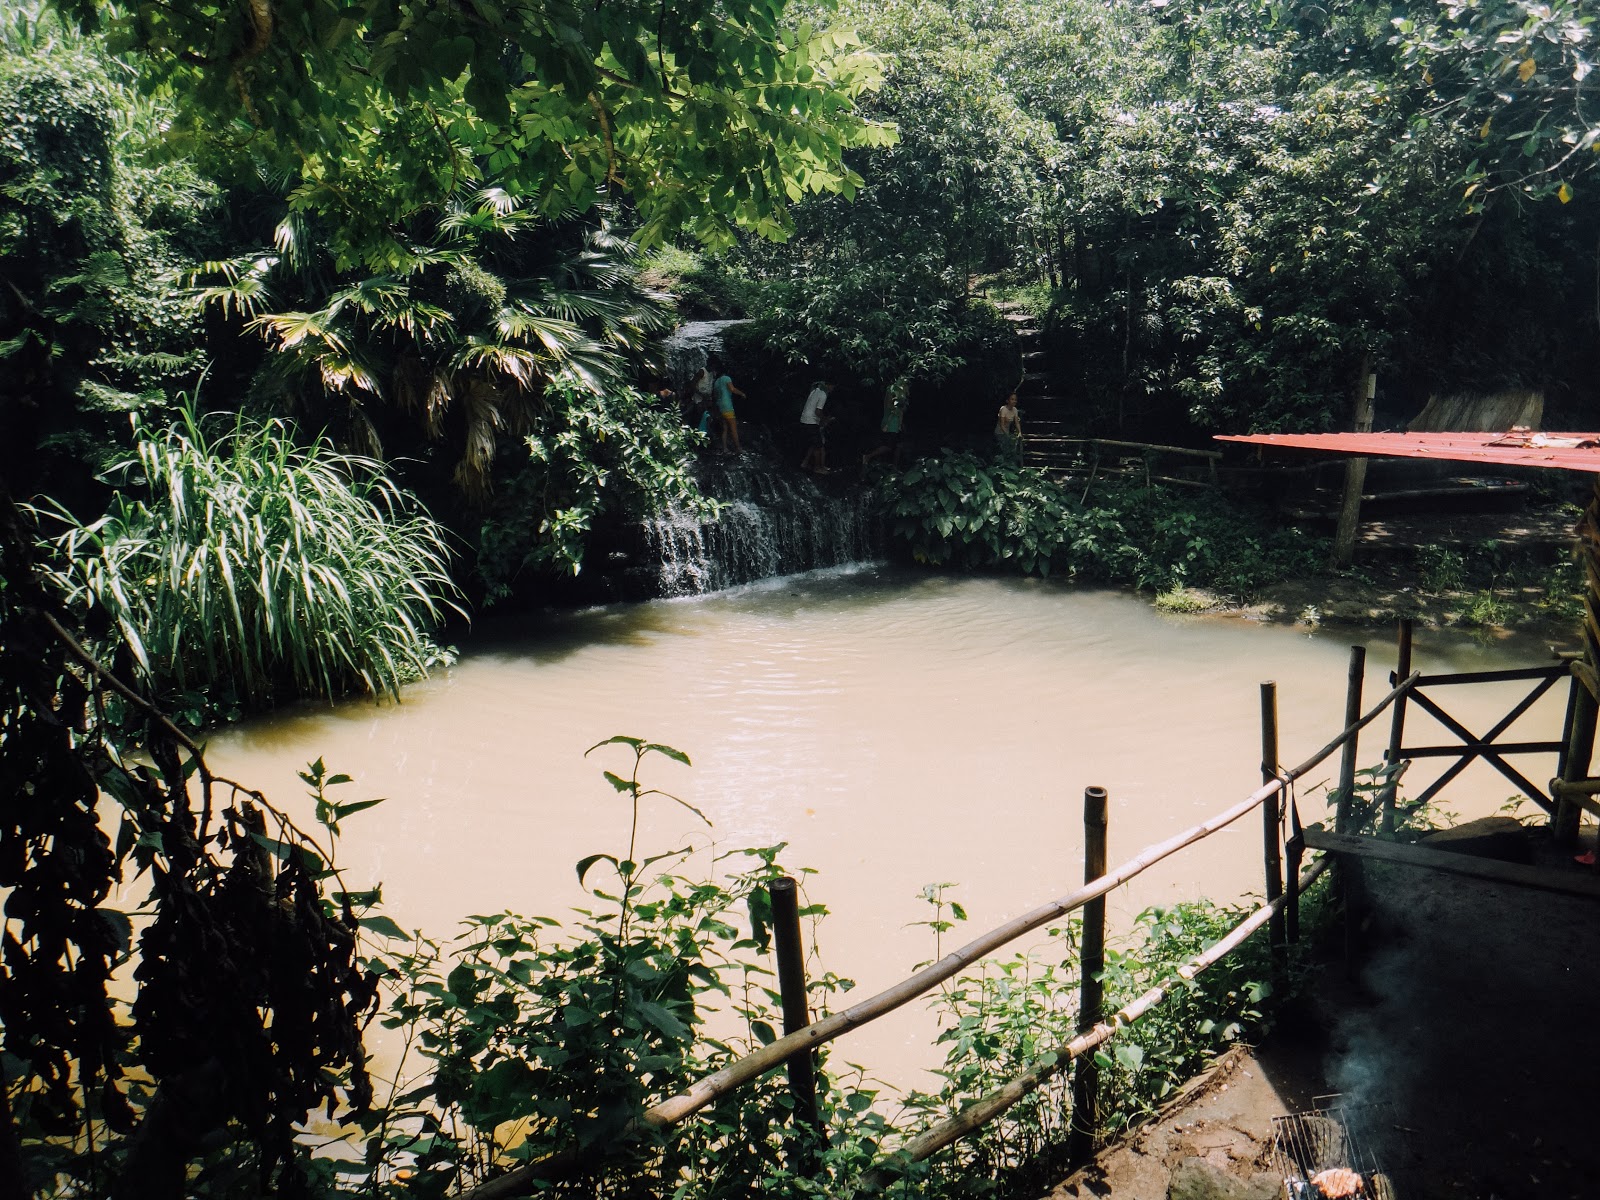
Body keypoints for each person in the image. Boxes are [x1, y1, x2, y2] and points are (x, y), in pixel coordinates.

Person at [862, 375, 910, 468]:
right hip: (891, 423)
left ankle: (894, 468)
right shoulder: (892, 389)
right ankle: (868, 456)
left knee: (899, 445)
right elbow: (890, 406)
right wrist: (898, 405)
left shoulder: (903, 390)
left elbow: (903, 409)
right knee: (888, 446)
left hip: (898, 423)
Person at [799, 379, 835, 473]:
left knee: (814, 443)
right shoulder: (823, 394)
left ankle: (805, 462)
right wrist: (825, 419)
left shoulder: (814, 391)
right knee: (819, 446)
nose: (832, 389)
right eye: (833, 387)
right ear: (829, 386)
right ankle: (818, 468)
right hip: (811, 421)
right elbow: (818, 411)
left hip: (804, 419)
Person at [709, 362, 744, 454]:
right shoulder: (726, 378)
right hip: (727, 406)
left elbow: (715, 396)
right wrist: (742, 394)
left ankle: (725, 448)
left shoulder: (716, 382)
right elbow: (732, 389)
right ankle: (738, 448)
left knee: (724, 428)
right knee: (733, 428)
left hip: (720, 407)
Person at [995, 392, 1023, 461]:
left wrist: (1019, 432)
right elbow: (1002, 424)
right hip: (1000, 433)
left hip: (1007, 432)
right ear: (1007, 401)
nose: (1014, 401)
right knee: (1003, 451)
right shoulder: (1003, 409)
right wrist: (1008, 436)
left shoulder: (1015, 410)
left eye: (1015, 399)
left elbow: (1017, 422)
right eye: (1012, 399)